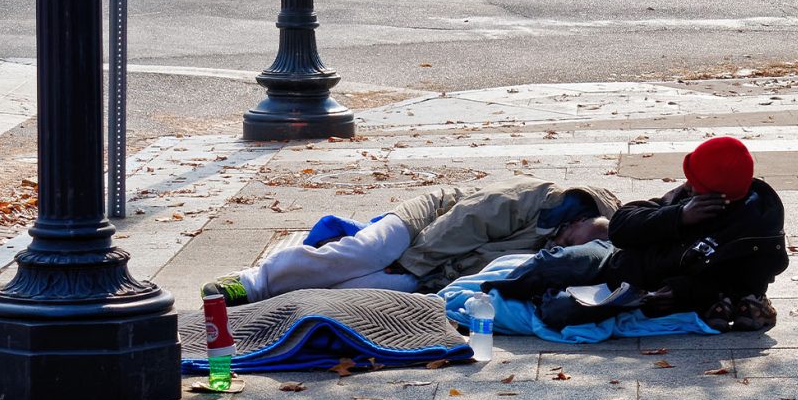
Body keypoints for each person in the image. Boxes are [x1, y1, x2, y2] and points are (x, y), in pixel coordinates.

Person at [484, 137, 789, 332]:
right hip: (618, 257)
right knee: (550, 262)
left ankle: (543, 298)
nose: (688, 183)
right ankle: (491, 295)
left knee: (559, 310)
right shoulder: (689, 198)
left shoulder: (756, 233)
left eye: (695, 181)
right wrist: (678, 216)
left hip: (641, 289)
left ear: (716, 192)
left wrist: (683, 292)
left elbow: (739, 284)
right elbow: (621, 225)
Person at [202, 176, 621, 306]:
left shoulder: (563, 249)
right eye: (574, 233)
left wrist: (424, 278)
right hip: (426, 223)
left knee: (364, 288)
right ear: (584, 217)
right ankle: (253, 280)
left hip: (437, 266)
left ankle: (273, 300)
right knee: (368, 252)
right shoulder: (546, 202)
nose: (564, 243)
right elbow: (464, 221)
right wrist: (412, 263)